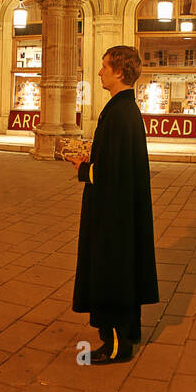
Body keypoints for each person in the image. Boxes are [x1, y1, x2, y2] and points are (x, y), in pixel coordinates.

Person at [70, 45, 158, 366]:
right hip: (118, 211)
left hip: (113, 216)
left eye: (104, 67)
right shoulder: (123, 109)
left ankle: (118, 345)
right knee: (115, 271)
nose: (99, 72)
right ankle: (116, 337)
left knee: (114, 273)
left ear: (120, 72)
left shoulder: (120, 113)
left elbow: (112, 173)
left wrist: (83, 167)